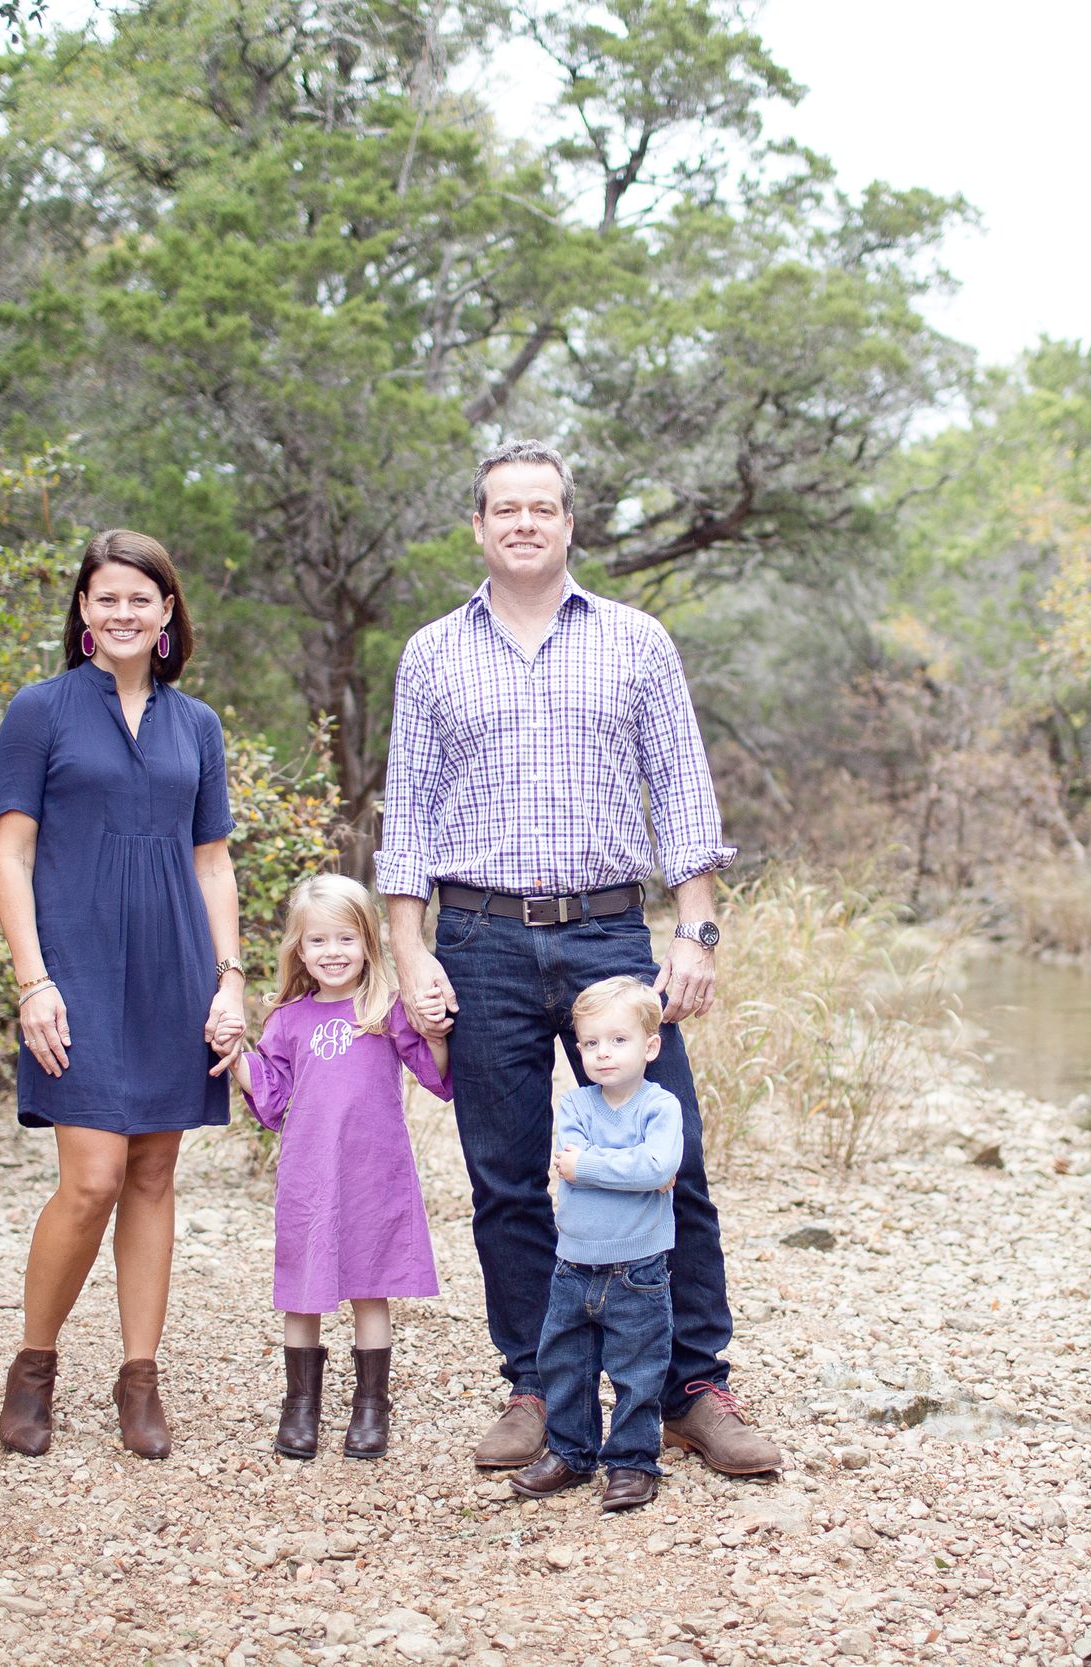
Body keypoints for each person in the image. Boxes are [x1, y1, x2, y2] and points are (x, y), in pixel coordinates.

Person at [376, 438, 782, 1478]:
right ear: (477, 526)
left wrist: (694, 930)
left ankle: (695, 1386)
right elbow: (408, 817)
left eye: (541, 507)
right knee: (505, 1178)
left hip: (607, 930)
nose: (523, 522)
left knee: (672, 1158)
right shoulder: (430, 653)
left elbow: (682, 791)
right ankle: (539, 1387)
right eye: (503, 508)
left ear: (568, 523)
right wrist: (409, 949)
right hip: (477, 937)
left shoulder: (637, 642)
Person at [0, 529, 248, 1461]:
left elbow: (211, 865)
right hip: (79, 969)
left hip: (176, 971)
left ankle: (140, 1377)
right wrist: (33, 981)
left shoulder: (198, 726)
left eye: (143, 597)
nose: (125, 612)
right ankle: (34, 1363)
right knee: (91, 1177)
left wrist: (230, 981)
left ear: (169, 610)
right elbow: (11, 854)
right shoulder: (40, 711)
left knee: (151, 1174)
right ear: (84, 611)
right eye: (107, 598)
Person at [230, 874, 451, 1460]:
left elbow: (435, 1075)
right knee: (302, 1291)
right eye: (319, 942)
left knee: (369, 1288)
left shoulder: (385, 1008)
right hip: (309, 1174)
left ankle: (371, 1408)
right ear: (299, 951)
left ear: (369, 943)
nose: (333, 953)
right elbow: (273, 1102)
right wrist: (237, 1058)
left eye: (346, 939)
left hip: (374, 1173)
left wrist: (437, 1030)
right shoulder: (286, 1020)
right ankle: (299, 1407)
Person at [509, 977, 682, 1512]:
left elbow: (660, 1166)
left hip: (638, 1267)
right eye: (590, 1044)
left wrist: (591, 1167)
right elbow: (572, 1163)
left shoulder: (661, 1106)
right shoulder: (577, 1105)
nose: (603, 1053)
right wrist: (627, 1171)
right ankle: (570, 1451)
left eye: (618, 1040)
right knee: (565, 1362)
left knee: (637, 1368)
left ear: (650, 1047)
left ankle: (631, 1462)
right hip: (573, 1264)